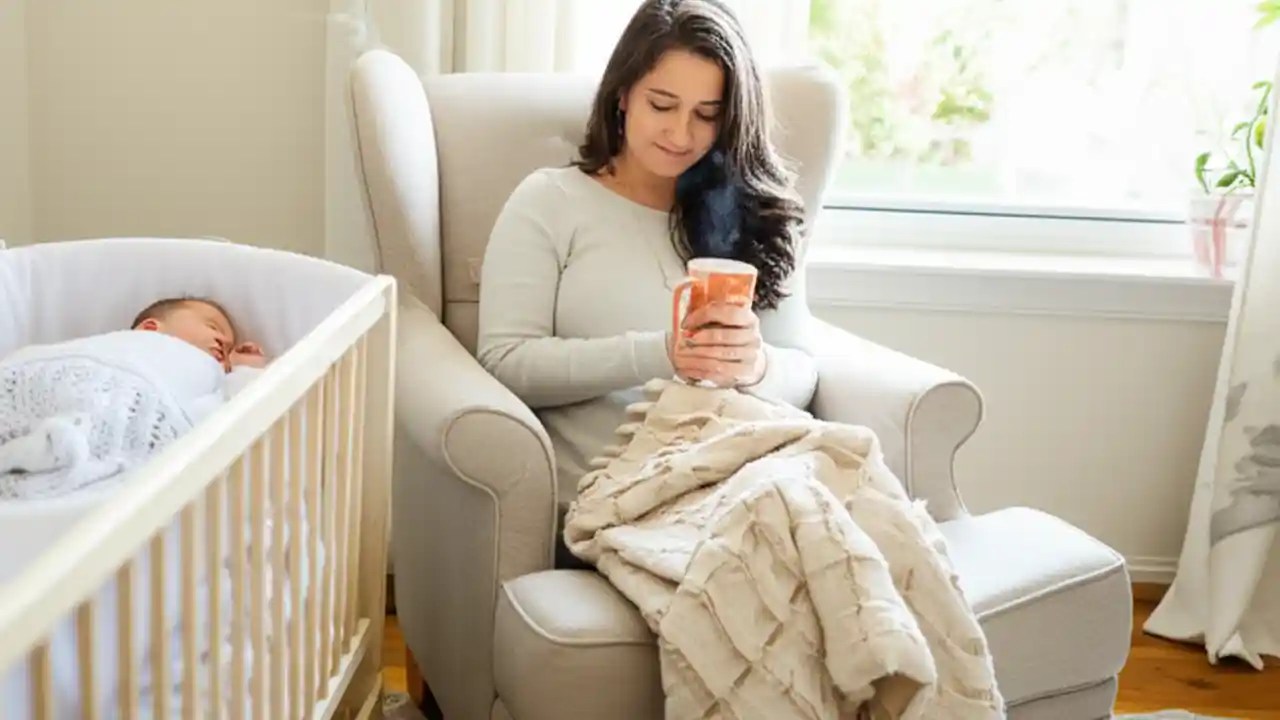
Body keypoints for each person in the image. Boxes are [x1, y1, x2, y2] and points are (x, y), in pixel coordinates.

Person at [477, 0, 818, 491]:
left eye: (707, 114)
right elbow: (506, 362)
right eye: (661, 105)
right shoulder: (551, 201)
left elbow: (803, 371)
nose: (681, 134)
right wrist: (662, 352)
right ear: (622, 96)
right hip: (629, 492)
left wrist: (755, 363)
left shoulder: (754, 214)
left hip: (748, 469)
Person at [131, 297, 267, 372]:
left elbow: (237, 410)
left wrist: (244, 368)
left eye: (228, 351)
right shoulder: (126, 350)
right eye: (213, 327)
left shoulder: (208, 383)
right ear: (149, 329)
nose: (225, 342)